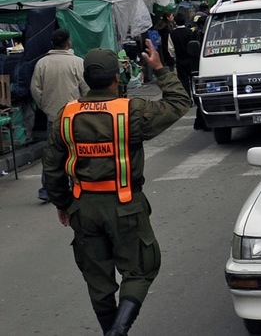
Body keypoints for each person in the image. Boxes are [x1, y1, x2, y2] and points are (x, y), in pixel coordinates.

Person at [41, 39, 191, 334]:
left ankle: (111, 330)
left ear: (86, 78)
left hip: (84, 208)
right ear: (116, 77)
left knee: (98, 281)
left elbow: (52, 167)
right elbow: (178, 102)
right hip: (125, 206)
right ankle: (119, 330)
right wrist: (160, 69)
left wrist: (63, 203)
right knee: (140, 269)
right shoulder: (131, 111)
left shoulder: (66, 116)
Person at [30, 29, 89, 203]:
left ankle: (47, 190)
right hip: (75, 117)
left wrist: (45, 107)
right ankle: (76, 185)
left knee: (53, 154)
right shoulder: (77, 62)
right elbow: (86, 88)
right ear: (69, 42)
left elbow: (35, 89)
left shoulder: (42, 63)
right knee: (76, 152)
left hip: (53, 116)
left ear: (53, 43)